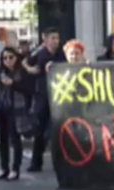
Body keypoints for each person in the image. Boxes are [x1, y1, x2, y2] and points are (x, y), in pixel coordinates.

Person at [23, 29, 66, 173]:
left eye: (57, 38)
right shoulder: (40, 53)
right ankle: (36, 162)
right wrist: (30, 69)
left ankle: (61, 163)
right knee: (39, 131)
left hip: (58, 95)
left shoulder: (62, 54)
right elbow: (25, 63)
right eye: (53, 38)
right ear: (46, 40)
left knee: (57, 130)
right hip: (43, 95)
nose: (55, 41)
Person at [0, 47, 32, 181]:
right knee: (2, 140)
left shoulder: (22, 72)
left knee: (15, 139)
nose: (8, 60)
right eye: (5, 58)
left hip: (16, 109)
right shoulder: (2, 72)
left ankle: (15, 169)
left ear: (16, 58)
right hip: (2, 107)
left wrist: (13, 84)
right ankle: (4, 168)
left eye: (11, 57)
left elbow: (28, 89)